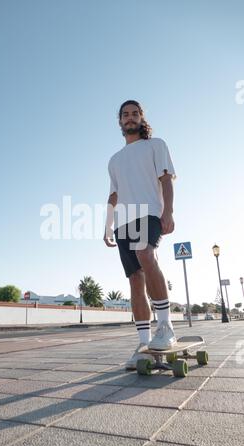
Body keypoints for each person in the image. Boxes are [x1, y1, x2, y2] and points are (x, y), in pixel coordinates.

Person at [104, 99, 177, 370]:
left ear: (141, 118)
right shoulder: (114, 160)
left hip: (149, 213)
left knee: (146, 253)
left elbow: (166, 179)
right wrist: (108, 224)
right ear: (120, 121)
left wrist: (168, 211)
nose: (130, 118)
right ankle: (144, 343)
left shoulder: (156, 145)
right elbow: (113, 194)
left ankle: (166, 327)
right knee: (135, 279)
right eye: (125, 114)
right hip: (123, 221)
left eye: (135, 113)